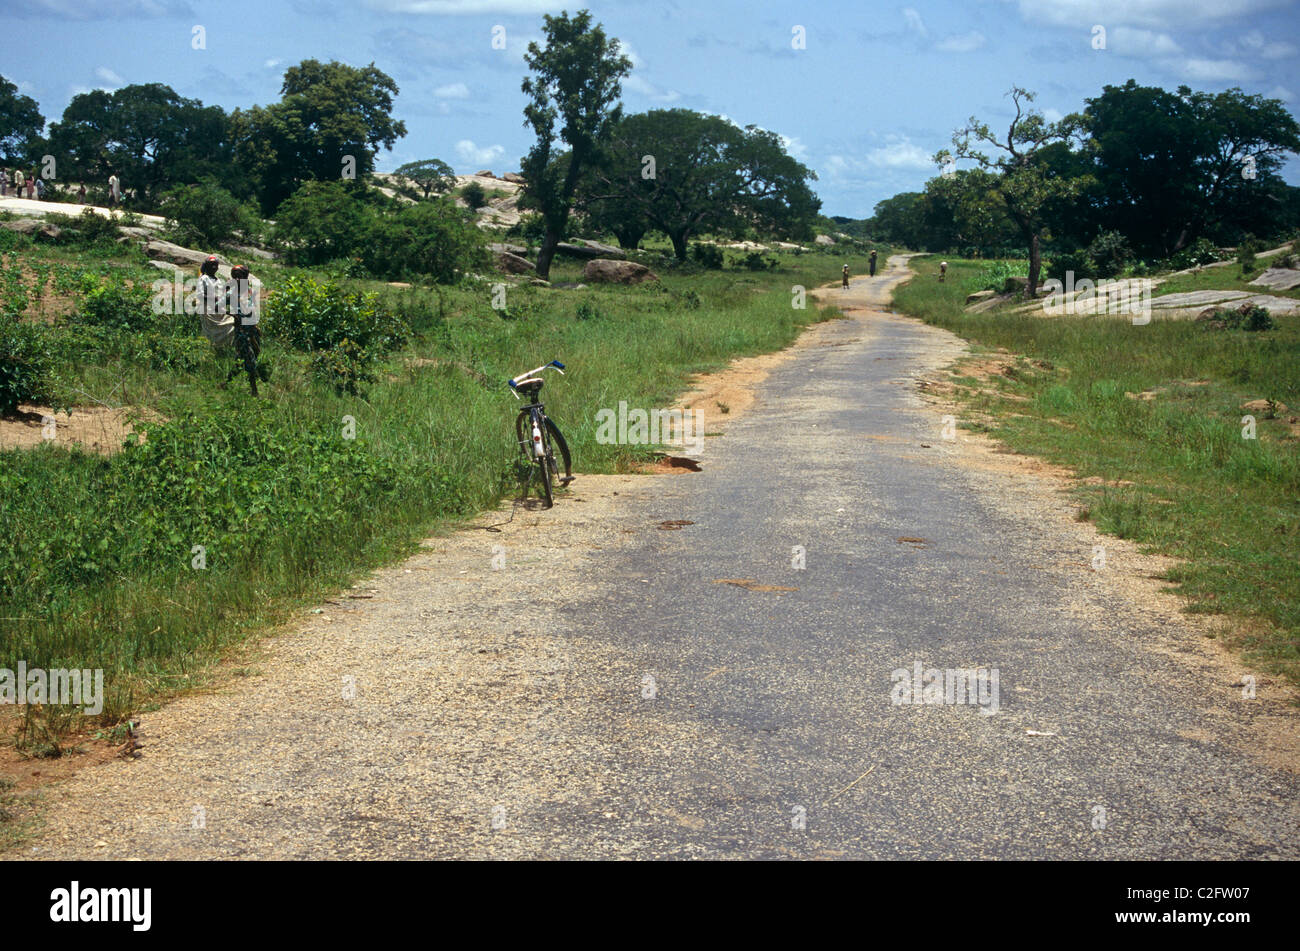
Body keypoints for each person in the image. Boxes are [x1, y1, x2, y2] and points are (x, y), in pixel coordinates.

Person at [225, 264, 264, 396]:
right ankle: (254, 391)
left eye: (239, 276)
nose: (236, 279)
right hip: (241, 332)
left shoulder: (250, 292)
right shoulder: (231, 293)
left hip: (251, 330)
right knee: (250, 360)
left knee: (245, 357)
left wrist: (256, 326)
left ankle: (227, 382)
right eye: (234, 276)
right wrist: (231, 314)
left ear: (245, 277)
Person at [197, 255, 233, 353]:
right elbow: (200, 295)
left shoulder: (219, 280)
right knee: (211, 331)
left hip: (218, 309)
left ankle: (221, 348)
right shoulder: (203, 278)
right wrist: (213, 297)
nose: (213, 267)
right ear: (206, 266)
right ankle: (211, 349)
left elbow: (222, 295)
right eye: (211, 265)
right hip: (207, 310)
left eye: (215, 265)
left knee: (231, 323)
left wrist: (228, 288)